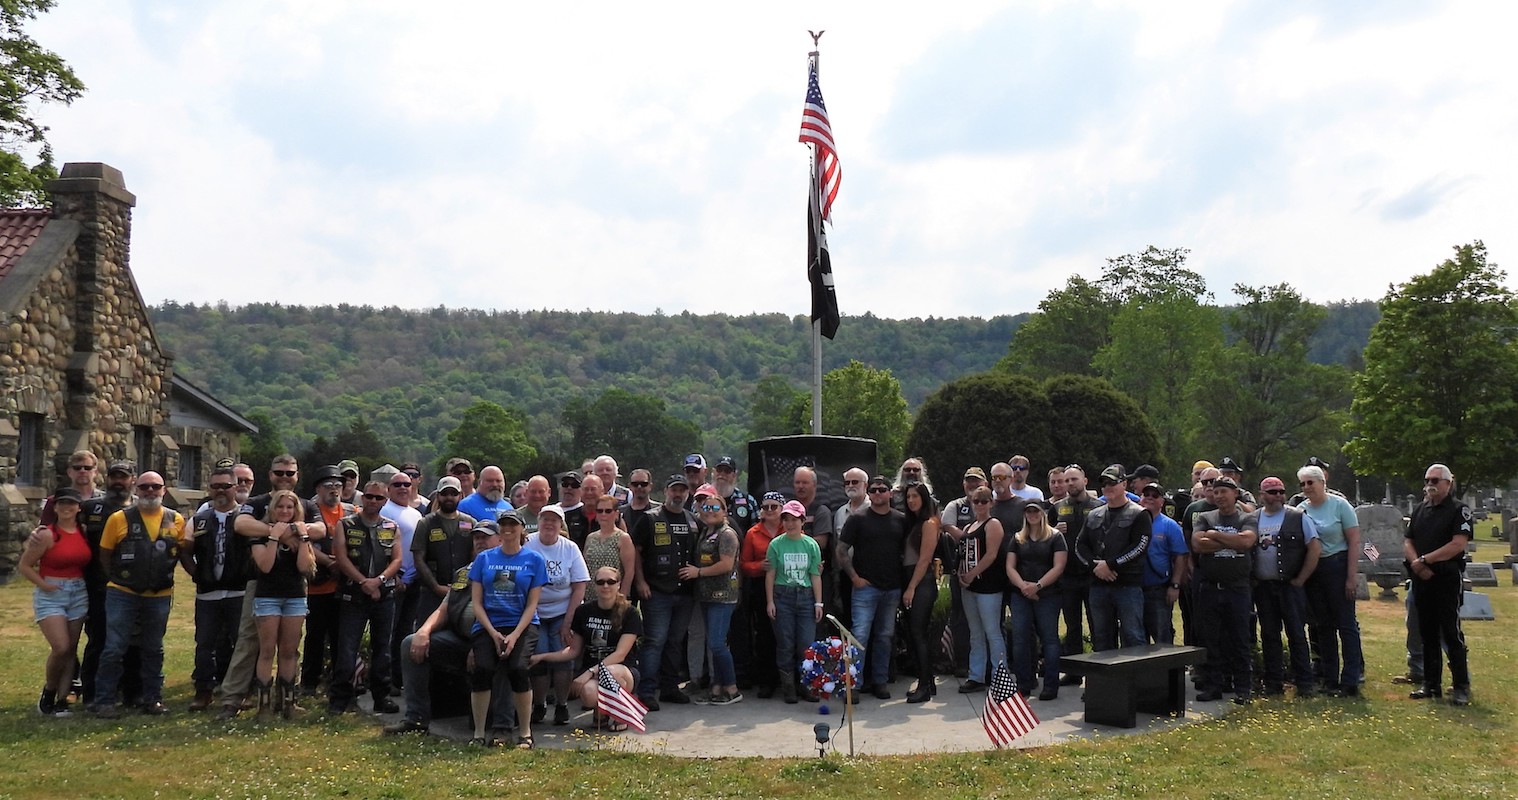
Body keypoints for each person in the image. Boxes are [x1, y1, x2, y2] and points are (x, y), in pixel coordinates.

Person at [384, 518, 501, 736]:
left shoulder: (506, 572)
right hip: (459, 640)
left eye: (486, 537)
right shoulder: (464, 572)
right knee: (410, 643)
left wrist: (479, 645)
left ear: (501, 539)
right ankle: (416, 719)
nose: (480, 541)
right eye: (476, 537)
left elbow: (503, 616)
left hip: (490, 642)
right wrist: (423, 631)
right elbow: (443, 609)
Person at [91, 471, 190, 717]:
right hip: (123, 593)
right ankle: (104, 701)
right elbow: (105, 555)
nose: (150, 491)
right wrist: (120, 578)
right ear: (136, 488)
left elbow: (183, 551)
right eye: (145, 486)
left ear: (164, 490)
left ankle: (152, 699)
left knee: (153, 649)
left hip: (159, 594)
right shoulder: (118, 518)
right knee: (114, 647)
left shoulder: (176, 519)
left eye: (155, 487)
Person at [528, 566, 644, 730]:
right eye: (600, 582)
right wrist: (542, 657)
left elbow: (620, 654)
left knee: (611, 672)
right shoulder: (584, 611)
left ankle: (621, 715)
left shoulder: (630, 613)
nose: (605, 586)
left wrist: (589, 672)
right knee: (589, 695)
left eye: (610, 582)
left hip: (624, 671)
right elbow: (574, 651)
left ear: (618, 584)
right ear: (594, 585)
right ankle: (601, 713)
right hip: (594, 672)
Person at [469, 510, 546, 749]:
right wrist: (493, 633)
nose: (507, 529)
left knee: (518, 669)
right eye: (503, 525)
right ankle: (480, 732)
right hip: (488, 623)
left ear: (522, 529)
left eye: (512, 524)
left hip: (522, 624)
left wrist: (514, 635)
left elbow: (533, 604)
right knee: (482, 669)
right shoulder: (484, 559)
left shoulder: (534, 560)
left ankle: (525, 732)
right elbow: (477, 603)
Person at [182, 464, 253, 711]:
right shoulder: (199, 519)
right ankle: (203, 691)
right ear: (209, 489)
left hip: (239, 590)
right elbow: (185, 551)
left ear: (236, 487)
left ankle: (242, 691)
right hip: (208, 592)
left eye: (226, 486)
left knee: (242, 643)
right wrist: (197, 575)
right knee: (204, 643)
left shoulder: (247, 517)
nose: (221, 491)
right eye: (216, 486)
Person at [329, 481, 404, 715]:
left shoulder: (392, 526)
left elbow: (397, 560)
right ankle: (340, 698)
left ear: (385, 501)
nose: (373, 501)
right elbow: (340, 556)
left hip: (384, 594)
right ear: (363, 499)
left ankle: (381, 697)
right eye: (369, 497)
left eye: (379, 498)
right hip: (352, 594)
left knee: (383, 648)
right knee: (347, 649)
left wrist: (378, 581)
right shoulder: (346, 524)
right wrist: (364, 582)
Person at [18, 487, 91, 716]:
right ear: (55, 507)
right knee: (60, 647)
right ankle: (48, 693)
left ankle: (62, 700)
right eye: (61, 503)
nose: (66, 508)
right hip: (52, 594)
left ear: (79, 507)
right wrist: (44, 585)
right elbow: (24, 565)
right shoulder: (46, 534)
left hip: (78, 591)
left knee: (70, 649)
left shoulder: (84, 531)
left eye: (71, 503)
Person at [1404, 463, 1472, 706]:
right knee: (1427, 633)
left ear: (1448, 483)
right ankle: (1431, 684)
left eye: (1435, 480)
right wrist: (1417, 564)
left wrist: (1425, 560)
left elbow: (1457, 544)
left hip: (1445, 579)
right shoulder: (1420, 509)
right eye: (1428, 480)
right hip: (1421, 579)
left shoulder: (1458, 510)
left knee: (1451, 633)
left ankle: (1461, 686)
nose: (1430, 484)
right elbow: (1408, 540)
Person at [630, 475, 699, 709]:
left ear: (687, 493)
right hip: (657, 591)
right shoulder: (649, 519)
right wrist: (640, 582)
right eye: (674, 490)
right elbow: (636, 552)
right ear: (665, 491)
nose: (678, 494)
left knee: (675, 642)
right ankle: (647, 691)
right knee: (654, 641)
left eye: (682, 490)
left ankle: (670, 688)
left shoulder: (692, 520)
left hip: (685, 593)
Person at [838, 475, 910, 700]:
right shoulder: (857, 519)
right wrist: (854, 577)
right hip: (864, 588)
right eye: (874, 490)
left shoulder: (901, 520)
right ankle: (854, 684)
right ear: (869, 493)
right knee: (859, 635)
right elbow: (841, 550)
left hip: (892, 588)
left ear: (891, 493)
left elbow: (907, 553)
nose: (878, 494)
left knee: (885, 636)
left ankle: (880, 681)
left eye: (882, 490)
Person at [250, 490, 319, 718]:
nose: (285, 511)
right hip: (268, 596)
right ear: (272, 509)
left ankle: (288, 703)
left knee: (289, 651)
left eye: (290, 507)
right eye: (280, 507)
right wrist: (273, 537)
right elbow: (265, 566)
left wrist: (304, 538)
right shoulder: (260, 533)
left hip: (295, 597)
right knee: (267, 650)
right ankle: (264, 706)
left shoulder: (300, 533)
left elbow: (304, 568)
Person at [1297, 463, 1364, 697]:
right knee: (1322, 626)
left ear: (1322, 483)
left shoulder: (1340, 505)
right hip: (1314, 571)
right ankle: (1330, 678)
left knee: (1346, 625)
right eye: (1303, 484)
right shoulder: (1301, 509)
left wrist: (1351, 577)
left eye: (1310, 483)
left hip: (1338, 565)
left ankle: (1351, 679)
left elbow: (1355, 541)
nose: (1306, 488)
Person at [1191, 476, 1258, 704]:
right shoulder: (1205, 517)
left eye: (1223, 491)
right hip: (1210, 589)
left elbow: (1247, 542)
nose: (1219, 495)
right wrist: (1232, 540)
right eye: (1215, 491)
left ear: (1235, 493)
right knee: (1211, 639)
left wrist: (1216, 536)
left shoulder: (1247, 518)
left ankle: (1243, 689)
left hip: (1237, 589)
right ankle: (1213, 686)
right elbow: (1198, 544)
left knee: (1239, 639)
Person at [1252, 475, 1319, 698]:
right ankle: (1273, 683)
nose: (1279, 496)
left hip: (1289, 586)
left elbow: (1314, 549)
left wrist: (1301, 578)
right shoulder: (1253, 519)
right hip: (1263, 587)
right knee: (1270, 635)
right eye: (1273, 492)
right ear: (1262, 495)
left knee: (1297, 634)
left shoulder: (1298, 517)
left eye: (1281, 491)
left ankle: (1305, 683)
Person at [525, 504, 590, 726]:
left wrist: (569, 622)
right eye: (545, 519)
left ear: (560, 524)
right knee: (540, 656)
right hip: (534, 612)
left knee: (564, 657)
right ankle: (539, 704)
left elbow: (579, 586)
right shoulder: (527, 544)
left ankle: (561, 705)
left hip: (563, 610)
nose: (549, 524)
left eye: (554, 520)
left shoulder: (570, 548)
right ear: (539, 521)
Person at [1077, 465, 1150, 652]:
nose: (1108, 487)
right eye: (1104, 484)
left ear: (1124, 484)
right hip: (1098, 585)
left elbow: (1139, 547)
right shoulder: (1094, 514)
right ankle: (1105, 682)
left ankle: (1135, 680)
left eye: (1113, 483)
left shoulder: (1139, 513)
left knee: (1133, 635)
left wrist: (1110, 564)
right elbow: (1080, 545)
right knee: (1101, 637)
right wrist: (1095, 566)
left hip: (1128, 586)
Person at [680, 490, 742, 704]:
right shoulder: (705, 531)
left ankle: (732, 688)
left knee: (717, 643)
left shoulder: (727, 534)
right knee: (713, 642)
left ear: (725, 511)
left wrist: (698, 572)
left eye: (715, 507)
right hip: (705, 596)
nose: (710, 511)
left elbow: (726, 564)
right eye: (705, 507)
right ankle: (716, 687)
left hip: (723, 596)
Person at [1006, 500, 1067, 700]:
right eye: (1028, 511)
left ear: (1043, 513)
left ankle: (1050, 685)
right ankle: (1024, 683)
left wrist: (1038, 586)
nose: (1032, 515)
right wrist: (1024, 587)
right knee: (1020, 640)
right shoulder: (1017, 538)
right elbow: (1010, 567)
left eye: (1035, 511)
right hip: (1021, 595)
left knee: (1049, 640)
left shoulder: (1055, 537)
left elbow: (1058, 566)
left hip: (1048, 595)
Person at [766, 500, 824, 704]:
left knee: (806, 644)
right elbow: (770, 573)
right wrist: (770, 601)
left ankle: (806, 684)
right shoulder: (775, 544)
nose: (790, 524)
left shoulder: (811, 545)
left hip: (806, 596)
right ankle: (788, 687)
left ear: (803, 521)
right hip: (783, 596)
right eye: (787, 520)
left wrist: (819, 603)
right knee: (785, 643)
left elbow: (815, 574)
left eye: (794, 520)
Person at [302, 464, 350, 701]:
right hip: (318, 585)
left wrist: (342, 563)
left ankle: (338, 681)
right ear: (318, 489)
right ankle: (309, 682)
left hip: (343, 586)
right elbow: (304, 542)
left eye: (338, 485)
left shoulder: (351, 512)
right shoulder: (311, 513)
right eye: (329, 485)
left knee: (341, 637)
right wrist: (329, 562)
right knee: (314, 636)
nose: (334, 490)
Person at [955, 486, 1007, 694]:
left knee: (992, 632)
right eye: (976, 501)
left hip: (989, 586)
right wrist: (961, 574)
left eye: (984, 501)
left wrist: (972, 573)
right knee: (975, 633)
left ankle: (1000, 676)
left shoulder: (993, 524)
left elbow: (991, 555)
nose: (980, 505)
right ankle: (976, 675)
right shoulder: (968, 527)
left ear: (991, 503)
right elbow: (962, 553)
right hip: (970, 587)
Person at [410, 476, 478, 635]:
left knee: (460, 636)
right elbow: (418, 559)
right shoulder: (425, 523)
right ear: (438, 495)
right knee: (426, 635)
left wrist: (465, 587)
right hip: (430, 594)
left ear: (460, 495)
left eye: (453, 493)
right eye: (445, 493)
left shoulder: (471, 523)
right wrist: (435, 587)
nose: (449, 497)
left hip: (462, 594)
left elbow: (475, 557)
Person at [1052, 464, 1100, 681]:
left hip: (1093, 576)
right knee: (1072, 626)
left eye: (1074, 479)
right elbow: (1045, 535)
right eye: (1067, 480)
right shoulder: (1057, 507)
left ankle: (1097, 675)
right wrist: (1054, 531)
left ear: (1085, 481)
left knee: (1097, 625)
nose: (1070, 483)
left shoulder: (1099, 507)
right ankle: (1073, 672)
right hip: (1068, 576)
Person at [740, 492, 785, 698]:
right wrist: (761, 566)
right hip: (760, 586)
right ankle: (766, 680)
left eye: (773, 507)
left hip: (788, 587)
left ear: (782, 509)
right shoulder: (753, 533)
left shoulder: (791, 528)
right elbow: (744, 565)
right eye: (765, 507)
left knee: (787, 635)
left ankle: (786, 679)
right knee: (765, 635)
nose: (769, 511)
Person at [900, 483, 941, 703]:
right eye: (908, 497)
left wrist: (911, 587)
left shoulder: (929, 523)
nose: (911, 500)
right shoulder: (913, 523)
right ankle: (928, 681)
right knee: (914, 634)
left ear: (924, 499)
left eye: (915, 496)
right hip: (910, 578)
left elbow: (925, 559)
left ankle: (924, 686)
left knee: (918, 634)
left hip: (921, 582)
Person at [1138, 483, 1188, 645]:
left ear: (1162, 502)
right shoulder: (1131, 521)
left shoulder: (1169, 525)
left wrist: (1175, 585)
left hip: (1158, 590)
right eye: (1146, 495)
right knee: (1135, 637)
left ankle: (1169, 671)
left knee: (1162, 635)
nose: (1150, 498)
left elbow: (1180, 556)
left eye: (1155, 495)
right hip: (1133, 590)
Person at [584, 493, 637, 597]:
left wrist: (623, 597)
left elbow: (629, 572)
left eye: (608, 511)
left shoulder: (623, 538)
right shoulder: (590, 538)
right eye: (600, 511)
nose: (603, 514)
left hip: (613, 596)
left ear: (616, 514)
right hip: (590, 596)